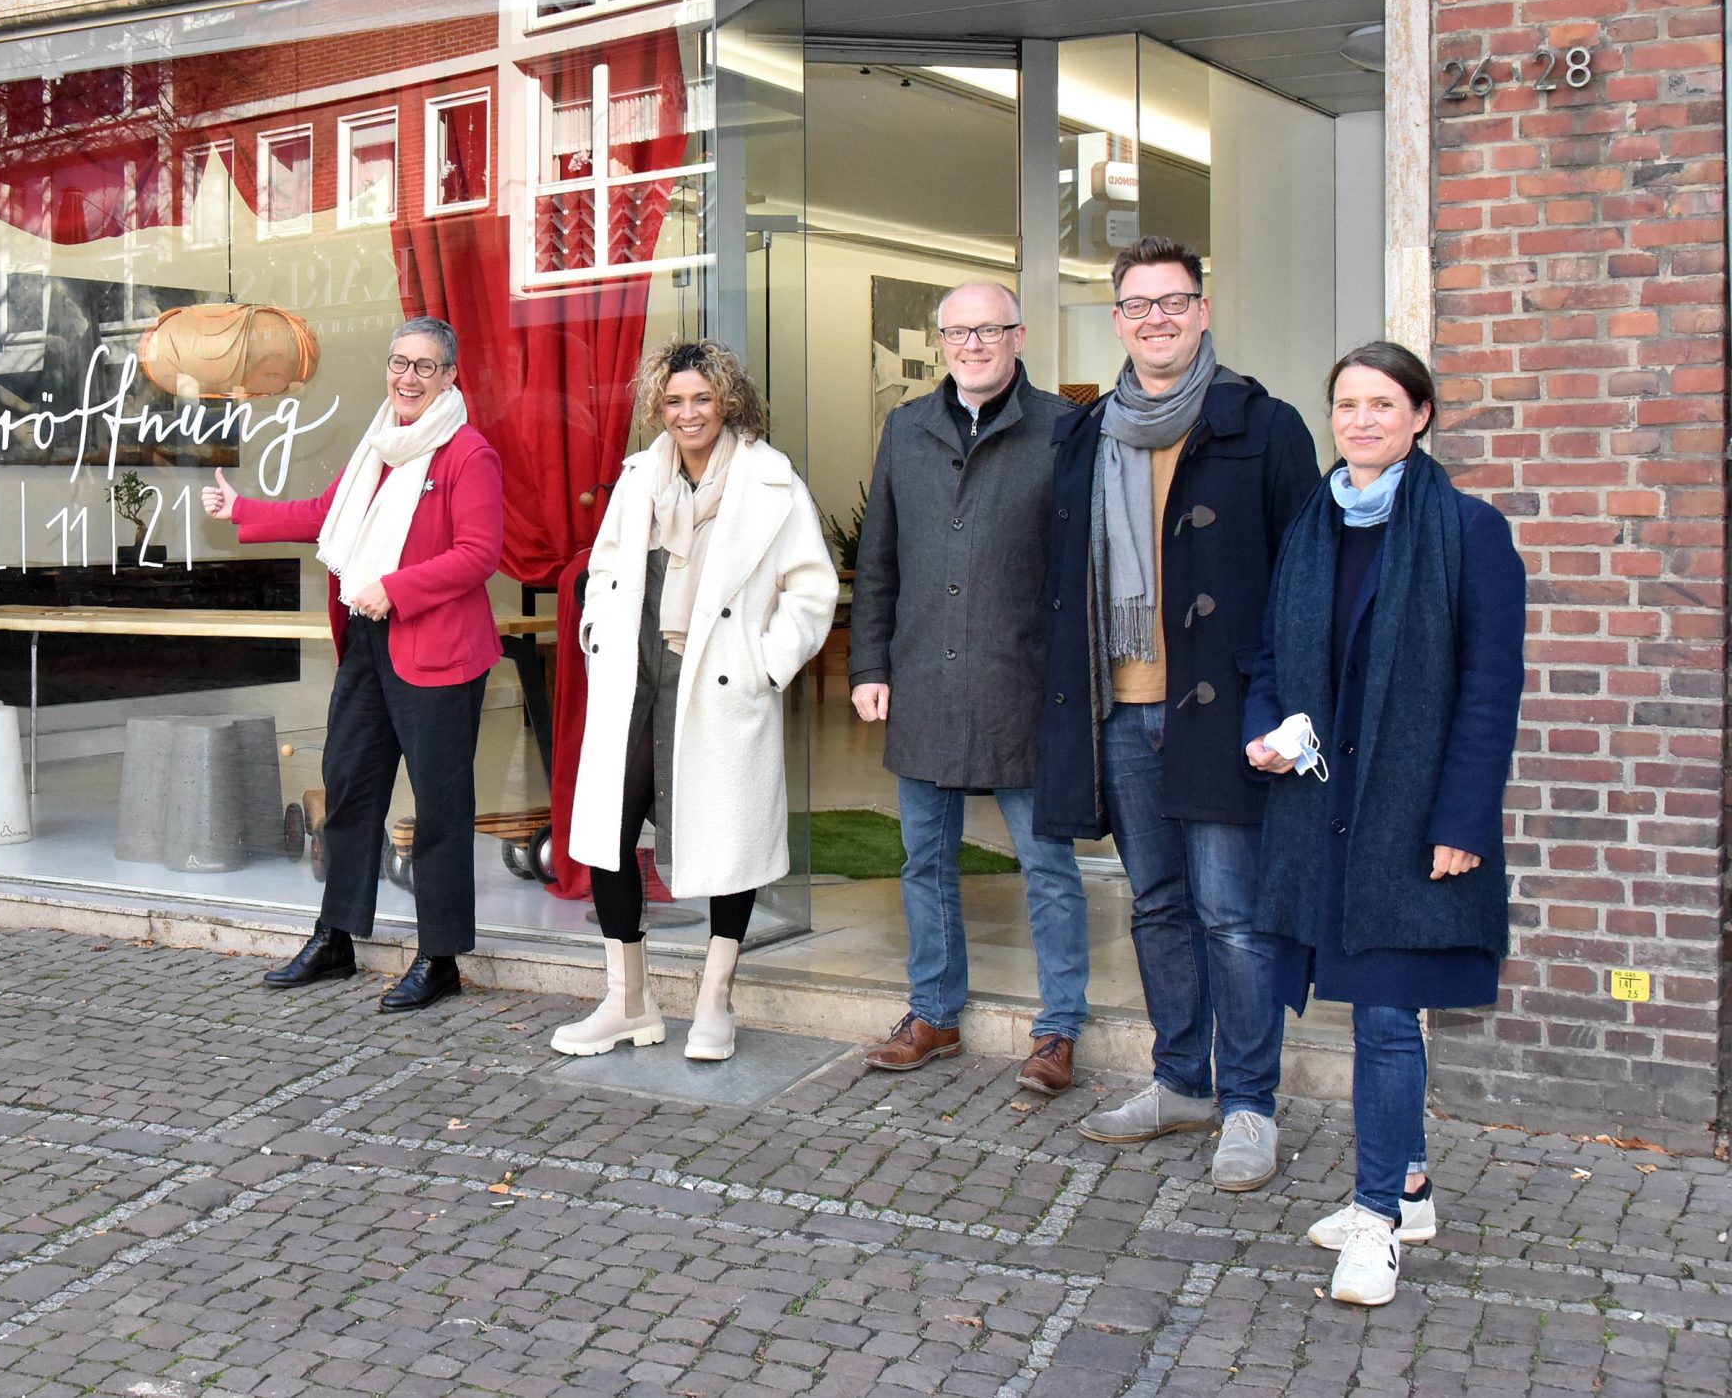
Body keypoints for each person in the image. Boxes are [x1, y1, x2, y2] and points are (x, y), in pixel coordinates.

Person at [1244, 342, 1523, 1307]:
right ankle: (1408, 1186)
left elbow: (1490, 690)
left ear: (1421, 416)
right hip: (1323, 809)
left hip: (1411, 816)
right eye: (1347, 405)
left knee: (1387, 1011)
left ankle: (1375, 1222)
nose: (1360, 421)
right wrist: (1265, 733)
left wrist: (1463, 820)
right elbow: (1270, 658)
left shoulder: (1470, 531)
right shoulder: (1311, 528)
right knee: (1371, 1002)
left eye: (1382, 404)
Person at [1042, 236, 1319, 1189]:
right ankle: (1180, 1081)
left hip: (1226, 715)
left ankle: (1249, 1104)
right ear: (1117, 321)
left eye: (1173, 302)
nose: (1156, 319)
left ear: (1203, 312)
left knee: (1233, 916)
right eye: (1137, 304)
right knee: (1157, 906)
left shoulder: (1264, 425)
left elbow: (1303, 585)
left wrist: (1289, 711)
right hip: (1121, 710)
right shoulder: (1085, 435)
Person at [201, 316, 503, 1013]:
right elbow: (326, 513)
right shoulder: (379, 445)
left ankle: (439, 958)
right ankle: (334, 937)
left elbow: (479, 553)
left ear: (450, 376)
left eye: (424, 366)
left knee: (440, 810)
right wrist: (241, 508)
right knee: (349, 792)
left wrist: (395, 587)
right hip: (369, 645)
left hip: (439, 653)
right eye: (399, 362)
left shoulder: (468, 453)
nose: (407, 378)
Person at [553, 340, 837, 1062]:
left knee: (724, 837)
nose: (688, 413)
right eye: (675, 400)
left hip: (719, 682)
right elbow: (605, 568)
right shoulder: (639, 478)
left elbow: (811, 590)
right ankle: (627, 1001)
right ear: (659, 406)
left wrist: (764, 666)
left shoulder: (771, 482)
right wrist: (596, 630)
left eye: (702, 398)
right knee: (610, 833)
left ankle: (715, 1000)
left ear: (727, 402)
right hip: (635, 677)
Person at [851, 283, 1089, 1093]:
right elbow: (878, 558)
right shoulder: (906, 429)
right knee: (925, 861)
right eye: (958, 332)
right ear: (942, 341)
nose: (973, 345)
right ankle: (934, 1014)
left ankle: (1058, 1029)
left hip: (1025, 683)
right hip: (923, 677)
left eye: (989, 329)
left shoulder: (1063, 429)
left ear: (1018, 336)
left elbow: (1082, 569)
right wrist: (869, 666)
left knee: (1047, 867)